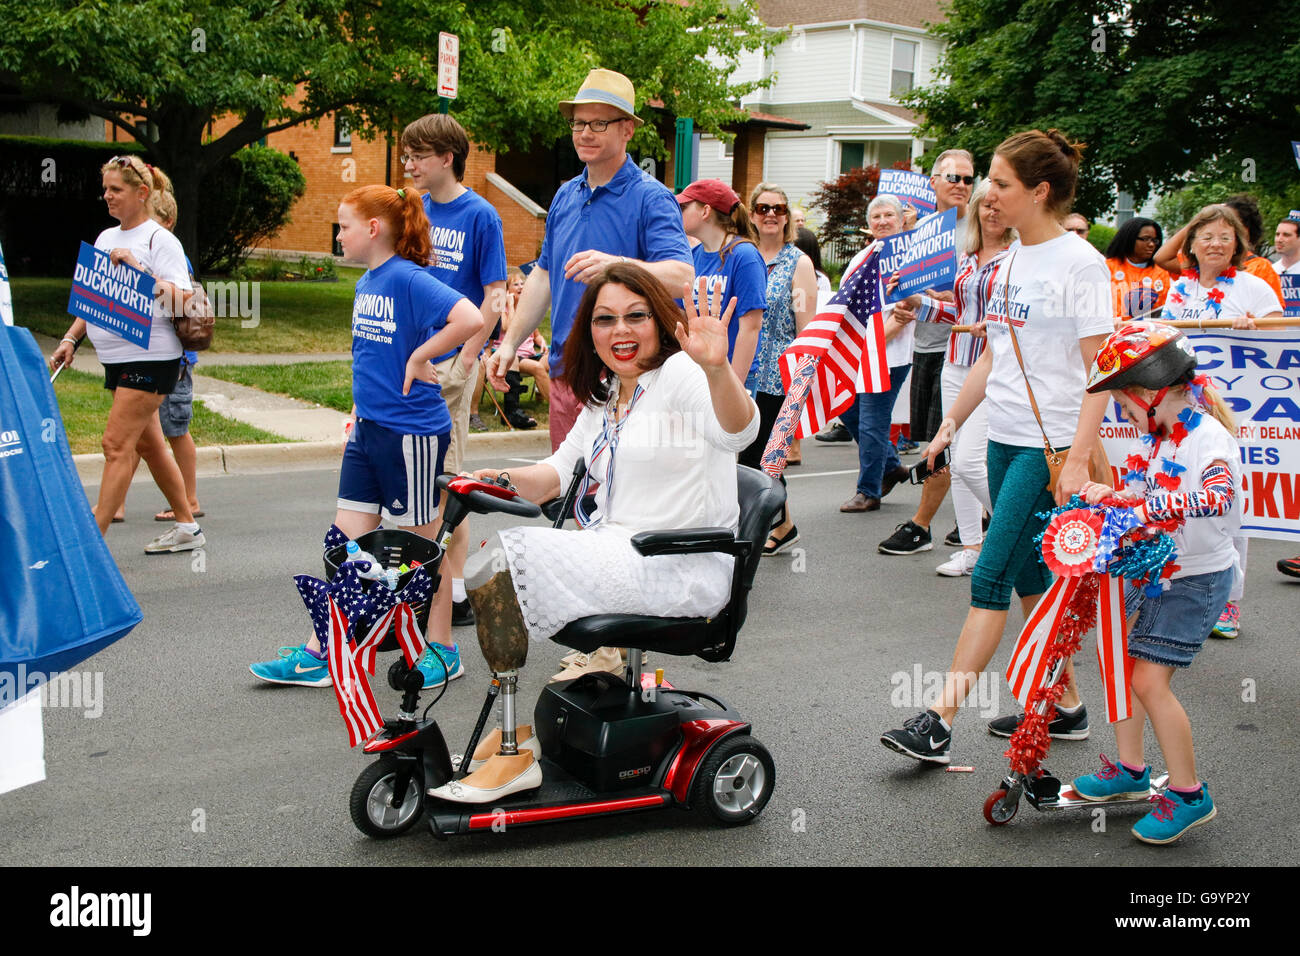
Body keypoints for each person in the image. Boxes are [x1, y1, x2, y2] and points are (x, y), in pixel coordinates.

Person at [428, 264, 758, 802]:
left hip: (680, 563)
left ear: (660, 320)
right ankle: (518, 733)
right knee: (492, 558)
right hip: (622, 552)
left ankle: (514, 755)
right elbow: (558, 472)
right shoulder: (610, 393)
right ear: (590, 331)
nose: (620, 332)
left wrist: (719, 369)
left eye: (636, 316)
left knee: (510, 558)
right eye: (605, 320)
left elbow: (739, 429)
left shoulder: (681, 376)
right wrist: (496, 479)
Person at [880, 129, 1113, 764]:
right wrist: (951, 422)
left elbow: (1103, 371)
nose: (988, 193)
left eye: (1001, 183)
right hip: (1006, 435)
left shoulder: (1080, 264)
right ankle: (1067, 707)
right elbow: (995, 354)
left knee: (989, 572)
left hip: (1050, 446)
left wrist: (1078, 461)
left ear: (1039, 192)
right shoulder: (1007, 262)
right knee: (1031, 578)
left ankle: (939, 718)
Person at [249, 185, 482, 688]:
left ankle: (442, 648)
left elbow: (471, 317)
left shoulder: (407, 278)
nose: (338, 235)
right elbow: (367, 355)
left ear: (373, 229)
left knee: (423, 548)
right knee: (345, 544)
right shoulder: (367, 283)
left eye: (344, 225)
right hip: (370, 432)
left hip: (412, 435)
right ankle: (323, 652)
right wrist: (357, 412)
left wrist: (422, 358)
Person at [1071, 322, 1241, 845]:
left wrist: (1149, 504)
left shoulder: (1210, 439)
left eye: (1124, 407)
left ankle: (1190, 794)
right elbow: (1143, 493)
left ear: (1152, 394)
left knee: (1148, 680)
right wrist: (1112, 496)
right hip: (1153, 568)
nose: (1124, 417)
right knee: (1119, 664)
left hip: (1195, 581)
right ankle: (1130, 770)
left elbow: (1217, 496)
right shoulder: (1159, 437)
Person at [487, 68, 693, 455]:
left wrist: (617, 266)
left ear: (627, 129)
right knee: (574, 498)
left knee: (623, 503)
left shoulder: (651, 197)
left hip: (627, 376)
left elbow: (684, 276)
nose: (585, 133)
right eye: (578, 122)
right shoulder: (565, 196)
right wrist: (510, 343)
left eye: (600, 123)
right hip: (567, 374)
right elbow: (545, 276)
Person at [48, 155, 201, 554]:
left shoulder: (160, 241)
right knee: (149, 445)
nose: (107, 196)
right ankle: (187, 526)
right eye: (106, 189)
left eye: (116, 189)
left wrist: (139, 272)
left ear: (142, 193)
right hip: (116, 360)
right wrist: (70, 339)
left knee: (116, 445)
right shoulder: (104, 238)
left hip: (152, 359)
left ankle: (90, 546)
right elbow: (92, 299)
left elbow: (185, 301)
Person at [400, 113, 507, 638]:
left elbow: (493, 294)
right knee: (416, 476)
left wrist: (469, 358)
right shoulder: (411, 209)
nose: (409, 164)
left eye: (418, 155)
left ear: (447, 157)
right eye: (407, 155)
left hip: (452, 359)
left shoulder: (481, 215)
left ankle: (454, 592)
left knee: (445, 475)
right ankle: (430, 587)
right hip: (416, 353)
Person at [1159, 204, 1283, 639]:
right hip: (1185, 406)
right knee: (1183, 493)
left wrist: (1257, 328)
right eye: (1206, 236)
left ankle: (1229, 600)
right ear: (1190, 244)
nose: (1215, 243)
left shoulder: (1252, 287)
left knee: (1230, 501)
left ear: (1238, 245)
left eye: (1224, 237)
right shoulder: (1178, 289)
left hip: (1235, 411)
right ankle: (1181, 584)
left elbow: (1283, 339)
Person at [913, 178, 1013, 576]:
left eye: (998, 203)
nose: (991, 210)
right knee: (955, 461)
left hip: (996, 368)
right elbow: (958, 313)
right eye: (984, 204)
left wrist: (997, 323)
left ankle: (1026, 534)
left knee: (971, 461)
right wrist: (917, 304)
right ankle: (973, 547)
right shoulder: (967, 255)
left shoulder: (1018, 256)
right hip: (955, 363)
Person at [877, 150, 975, 555]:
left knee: (950, 443)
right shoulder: (921, 230)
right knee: (948, 443)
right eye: (952, 176)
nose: (961, 185)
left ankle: (922, 525)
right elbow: (900, 286)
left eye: (968, 179)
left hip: (971, 352)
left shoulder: (984, 230)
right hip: (929, 345)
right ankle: (974, 527)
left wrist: (948, 295)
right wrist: (903, 298)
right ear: (932, 181)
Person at [113, 189, 203, 524]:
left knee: (175, 429)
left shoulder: (169, 253)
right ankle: (116, 503)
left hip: (175, 362)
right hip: (146, 359)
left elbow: (179, 303)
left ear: (165, 222)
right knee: (139, 433)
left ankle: (189, 500)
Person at [743, 182, 817, 554]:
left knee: (760, 456)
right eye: (762, 208)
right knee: (745, 453)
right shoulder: (741, 254)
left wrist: (801, 388)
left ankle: (758, 530)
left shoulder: (798, 263)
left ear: (787, 217)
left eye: (779, 209)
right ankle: (783, 524)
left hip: (776, 377)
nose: (770, 214)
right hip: (739, 372)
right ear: (752, 214)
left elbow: (808, 333)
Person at [837, 194, 916, 516]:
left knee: (872, 422)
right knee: (845, 407)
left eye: (889, 216)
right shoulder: (863, 257)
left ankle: (868, 491)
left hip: (890, 355)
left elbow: (904, 311)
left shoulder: (910, 257)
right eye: (877, 217)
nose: (883, 221)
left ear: (900, 220)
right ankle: (893, 466)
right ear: (869, 224)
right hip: (860, 350)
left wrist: (876, 340)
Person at [677, 178, 765, 385]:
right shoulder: (692, 255)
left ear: (705, 211)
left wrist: (735, 385)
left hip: (731, 371)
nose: (677, 212)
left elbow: (751, 327)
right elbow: (680, 315)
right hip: (697, 371)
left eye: (683, 207)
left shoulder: (744, 255)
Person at [1156, 195, 1285, 305]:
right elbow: (1162, 258)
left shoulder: (1260, 267)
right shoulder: (1200, 265)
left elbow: (1272, 319)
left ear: (1243, 231)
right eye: (1208, 236)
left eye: (1227, 222)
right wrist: (1198, 220)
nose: (1215, 244)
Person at [1104, 217, 1171, 321]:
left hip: (1146, 332)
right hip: (1112, 332)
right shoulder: (1108, 267)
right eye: (1145, 239)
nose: (1151, 244)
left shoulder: (1161, 272)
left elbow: (1164, 310)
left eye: (1154, 240)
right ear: (1129, 239)